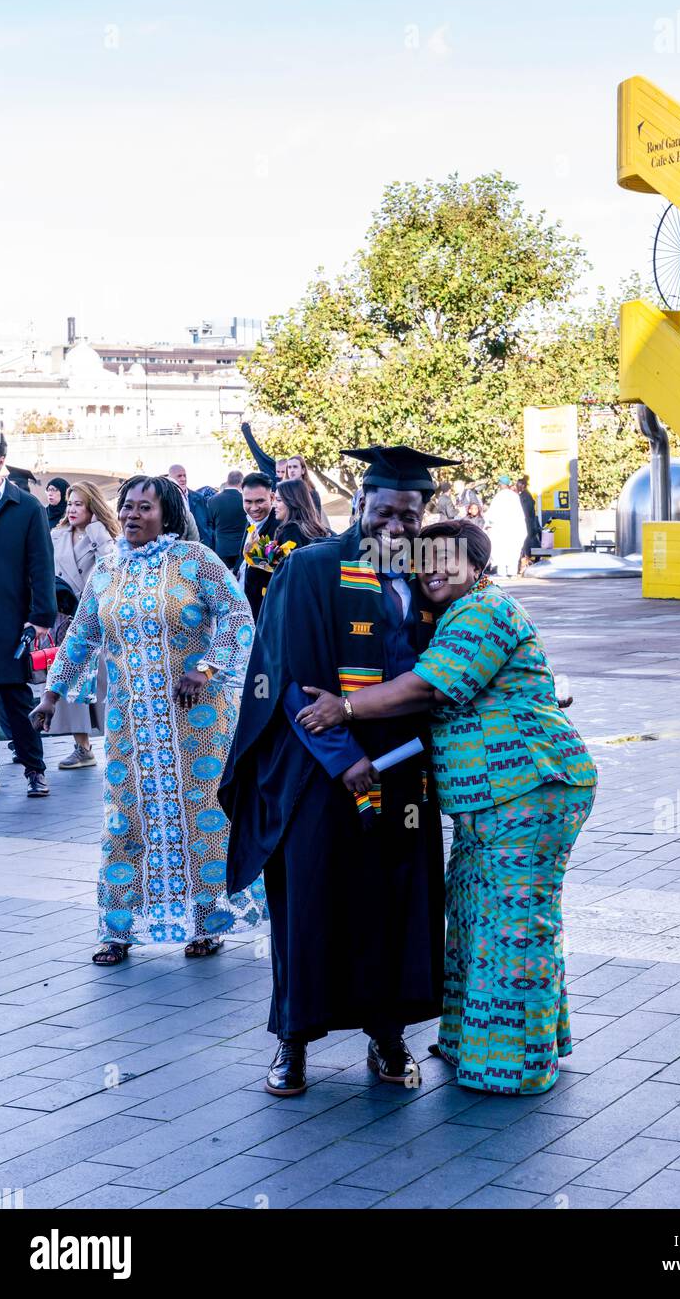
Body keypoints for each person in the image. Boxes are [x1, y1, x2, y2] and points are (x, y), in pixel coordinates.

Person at [297, 518, 597, 1096]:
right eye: (423, 560)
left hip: (528, 790)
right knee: (475, 917)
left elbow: (427, 688)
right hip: (494, 798)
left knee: (512, 923)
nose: (432, 569)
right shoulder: (461, 612)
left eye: (446, 559)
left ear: (476, 565)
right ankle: (475, 1043)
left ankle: (516, 1064)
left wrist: (346, 711)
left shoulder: (483, 611)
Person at [219, 445, 459, 1098]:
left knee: (394, 905)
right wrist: (344, 759)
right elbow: (289, 677)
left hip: (405, 775)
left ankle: (387, 1036)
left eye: (408, 515)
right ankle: (293, 1043)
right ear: (358, 505)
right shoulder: (311, 568)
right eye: (384, 510)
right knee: (310, 904)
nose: (396, 526)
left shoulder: (431, 582)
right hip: (318, 774)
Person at [30, 475, 267, 964]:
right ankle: (118, 929)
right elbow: (81, 636)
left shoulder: (194, 561)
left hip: (196, 721)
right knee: (126, 818)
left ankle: (206, 924)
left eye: (145, 506)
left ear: (169, 514)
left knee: (203, 819)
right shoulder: (108, 570)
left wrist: (206, 668)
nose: (134, 514)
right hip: (131, 724)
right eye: (128, 506)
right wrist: (51, 696)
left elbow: (237, 617)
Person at [0, 429, 56, 798]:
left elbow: (42, 564)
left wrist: (41, 616)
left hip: (11, 619)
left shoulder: (25, 506)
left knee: (16, 699)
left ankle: (35, 770)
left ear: (0, 461)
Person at [49, 482, 118, 769]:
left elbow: (111, 567)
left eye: (79, 503)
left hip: (100, 616)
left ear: (93, 506)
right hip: (69, 618)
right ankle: (82, 746)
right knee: (73, 678)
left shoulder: (106, 536)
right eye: (70, 503)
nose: (72, 509)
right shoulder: (57, 535)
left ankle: (114, 743)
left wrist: (98, 532)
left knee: (104, 683)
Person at [240, 471, 277, 620]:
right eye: (248, 502)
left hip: (263, 609)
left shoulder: (279, 528)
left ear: (272, 497)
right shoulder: (250, 520)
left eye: (260, 501)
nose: (254, 508)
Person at [485, 475, 527, 577]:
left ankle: (502, 572)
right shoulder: (515, 496)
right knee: (512, 549)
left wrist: (489, 525)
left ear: (501, 484)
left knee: (500, 550)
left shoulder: (498, 497)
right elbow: (520, 514)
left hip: (500, 529)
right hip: (513, 528)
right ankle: (512, 572)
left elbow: (492, 514)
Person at [273, 478, 331, 550]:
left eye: (278, 500)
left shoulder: (290, 531)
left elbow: (290, 560)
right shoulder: (315, 528)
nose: (274, 504)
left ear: (292, 502)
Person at [207, 470, 248, 570]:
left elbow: (210, 524)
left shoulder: (212, 500)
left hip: (222, 547)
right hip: (242, 547)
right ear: (241, 482)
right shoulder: (245, 499)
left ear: (227, 481)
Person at [169, 463, 211, 544]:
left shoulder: (199, 498)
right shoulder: (167, 500)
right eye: (179, 476)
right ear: (171, 478)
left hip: (203, 546)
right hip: (179, 549)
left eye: (184, 475)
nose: (183, 479)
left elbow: (209, 521)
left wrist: (209, 537)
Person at [516, 475, 542, 564]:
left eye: (518, 485)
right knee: (531, 540)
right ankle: (531, 558)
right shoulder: (526, 494)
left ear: (523, 485)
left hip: (527, 522)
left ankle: (526, 559)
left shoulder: (524, 496)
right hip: (529, 522)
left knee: (527, 541)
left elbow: (526, 510)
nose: (516, 487)